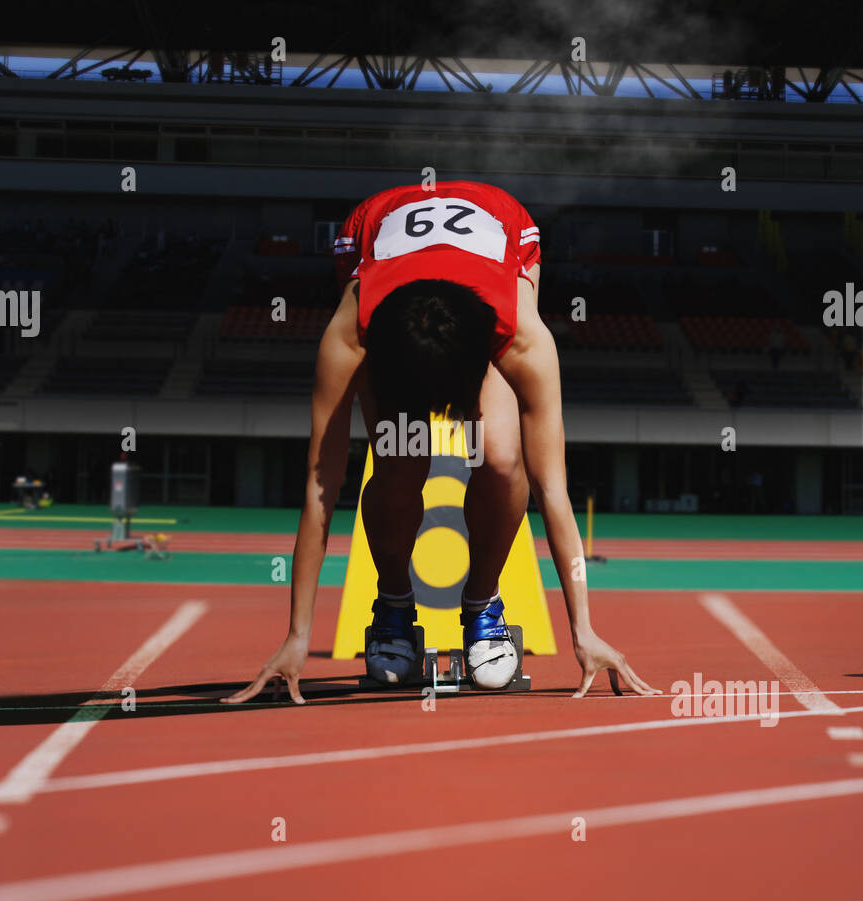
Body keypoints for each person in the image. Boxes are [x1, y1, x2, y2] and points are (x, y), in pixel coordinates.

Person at [226, 181, 658, 706]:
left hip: (504, 231)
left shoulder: (524, 336)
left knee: (501, 456)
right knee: (401, 460)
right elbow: (321, 491)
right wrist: (296, 638)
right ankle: (393, 606)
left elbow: (554, 491)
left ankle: (483, 607)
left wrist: (584, 630)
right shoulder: (350, 334)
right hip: (373, 231)